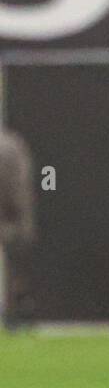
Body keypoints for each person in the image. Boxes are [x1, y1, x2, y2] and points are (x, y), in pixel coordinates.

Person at [0, 126, 37, 330]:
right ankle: (16, 311)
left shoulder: (10, 147)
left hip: (9, 220)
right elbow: (21, 190)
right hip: (12, 221)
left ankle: (15, 311)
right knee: (14, 268)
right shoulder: (13, 146)